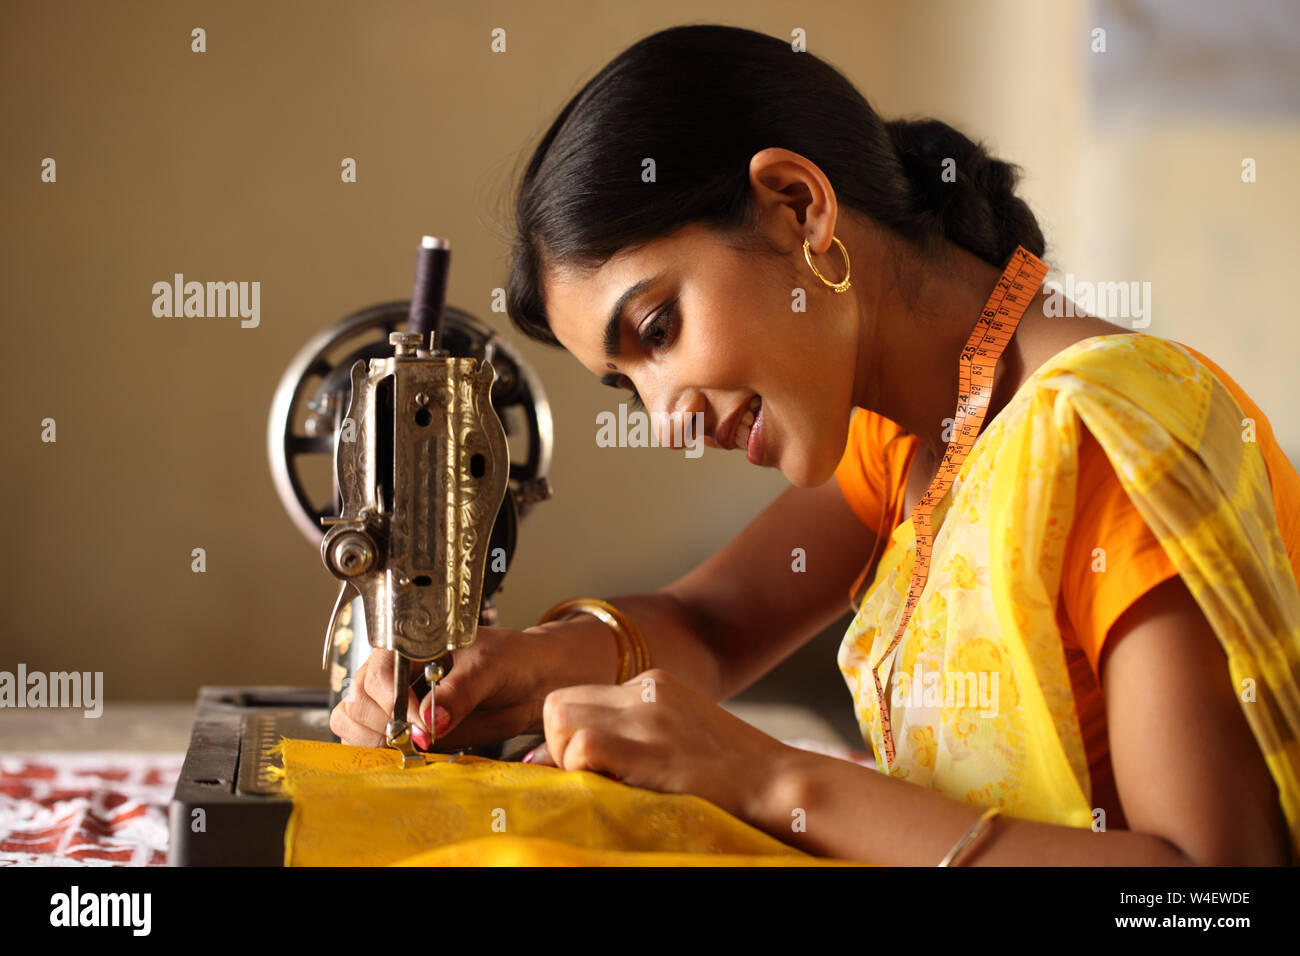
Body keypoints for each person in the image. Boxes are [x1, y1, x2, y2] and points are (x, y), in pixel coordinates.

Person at [330, 24, 1300, 865]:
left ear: (797, 205)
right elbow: (707, 626)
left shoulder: (1105, 434)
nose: (668, 420)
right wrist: (514, 670)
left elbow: (1205, 894)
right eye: (629, 383)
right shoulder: (912, 431)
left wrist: (769, 777)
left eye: (659, 329)